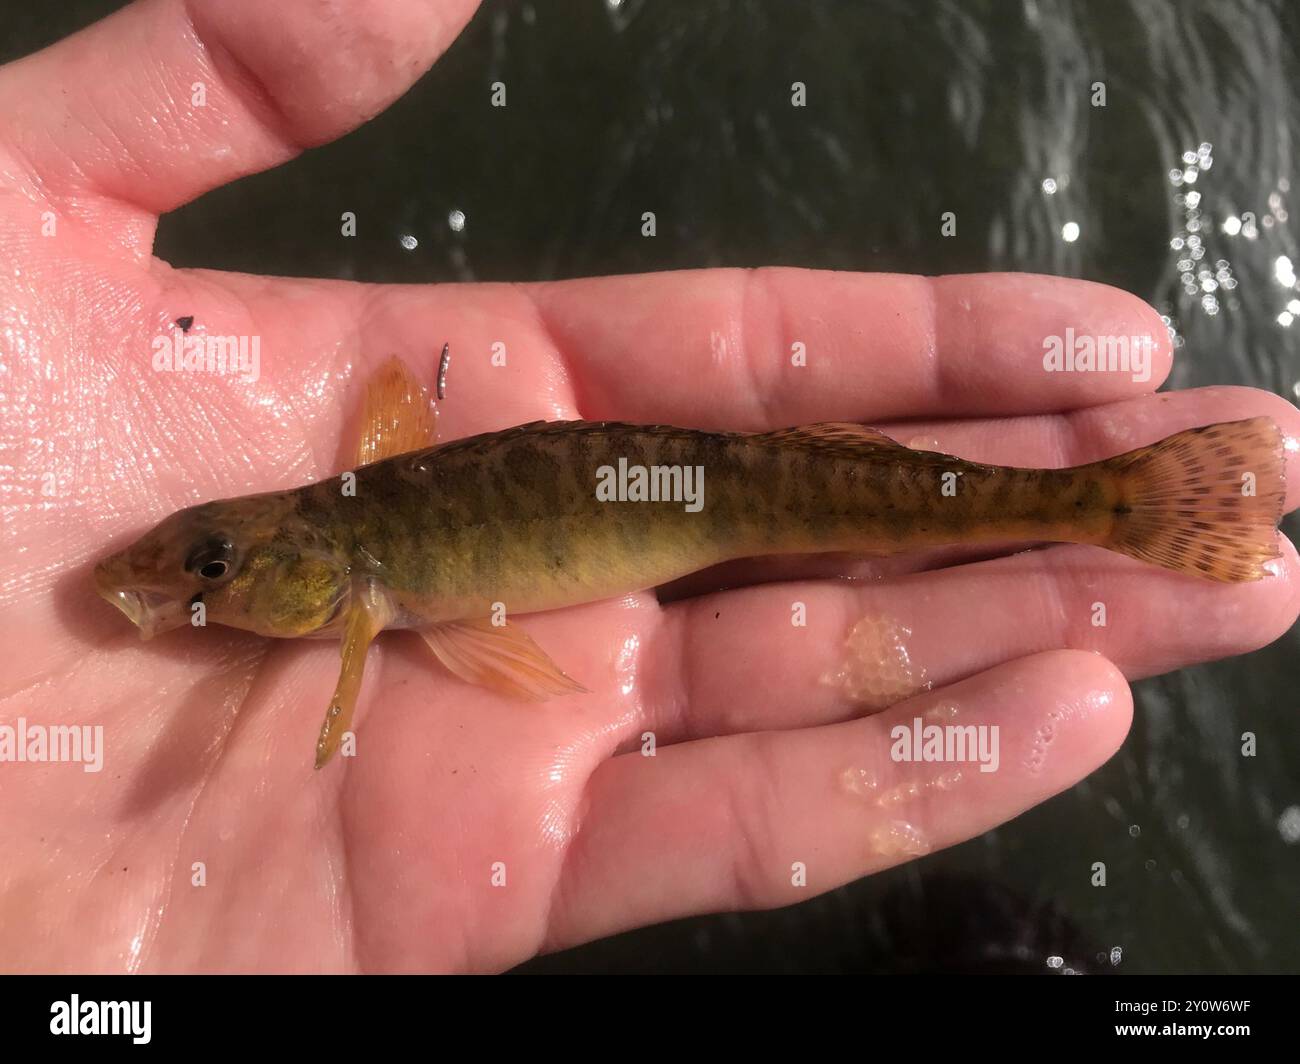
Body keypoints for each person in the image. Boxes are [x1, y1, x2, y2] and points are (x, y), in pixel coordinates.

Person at [0, 0, 1295, 973]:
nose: (198, 589)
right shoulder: (347, 556)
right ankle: (1112, 505)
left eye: (213, 570)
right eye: (205, 570)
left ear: (296, 567)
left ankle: (1113, 502)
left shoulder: (353, 578)